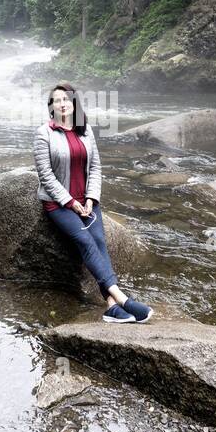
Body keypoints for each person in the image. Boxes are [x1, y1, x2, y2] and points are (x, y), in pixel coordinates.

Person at [33, 82, 154, 323]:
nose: (62, 103)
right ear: (51, 106)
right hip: (57, 203)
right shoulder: (43, 133)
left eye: (66, 99)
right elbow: (45, 175)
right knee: (85, 240)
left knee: (100, 241)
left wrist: (91, 198)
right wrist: (69, 202)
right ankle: (122, 299)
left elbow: (96, 167)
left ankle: (110, 306)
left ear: (74, 103)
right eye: (57, 100)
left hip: (86, 200)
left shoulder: (84, 130)